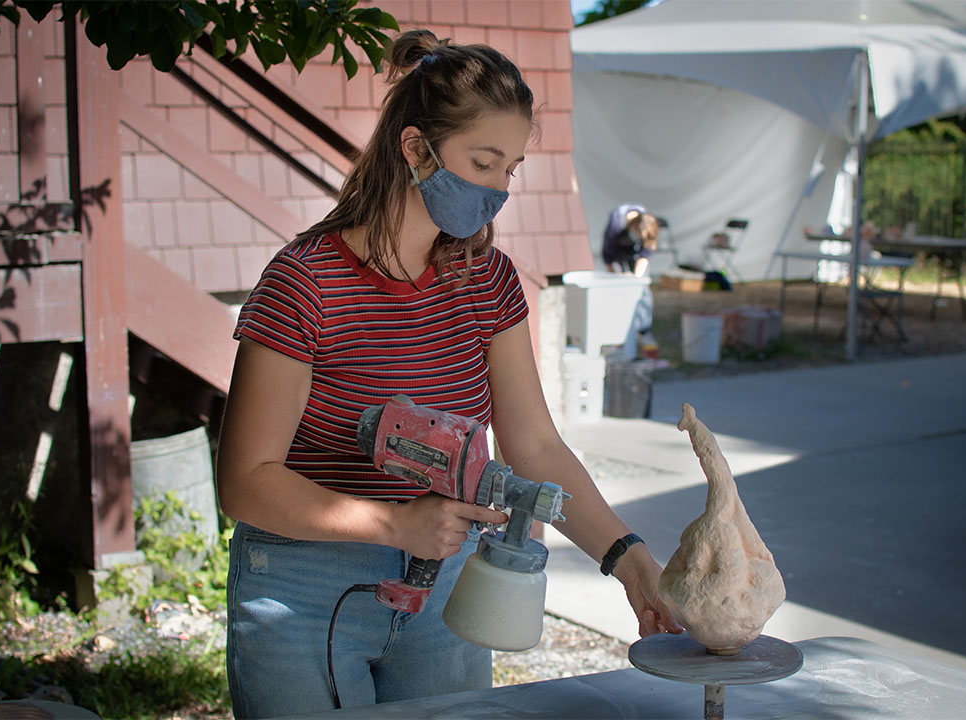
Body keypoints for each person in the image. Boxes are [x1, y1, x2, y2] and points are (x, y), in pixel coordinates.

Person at [215, 29, 682, 719]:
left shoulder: (486, 282)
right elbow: (244, 482)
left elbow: (537, 446)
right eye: (483, 162)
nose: (498, 189)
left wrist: (629, 557)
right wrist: (393, 525)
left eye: (510, 169)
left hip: (445, 589)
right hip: (300, 587)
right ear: (415, 149)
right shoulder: (304, 283)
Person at [602, 204, 660, 276]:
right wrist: (613, 274)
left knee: (640, 274)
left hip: (635, 253)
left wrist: (637, 277)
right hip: (618, 251)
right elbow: (608, 250)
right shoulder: (617, 221)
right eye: (638, 234)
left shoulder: (648, 221)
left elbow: (644, 255)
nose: (638, 237)